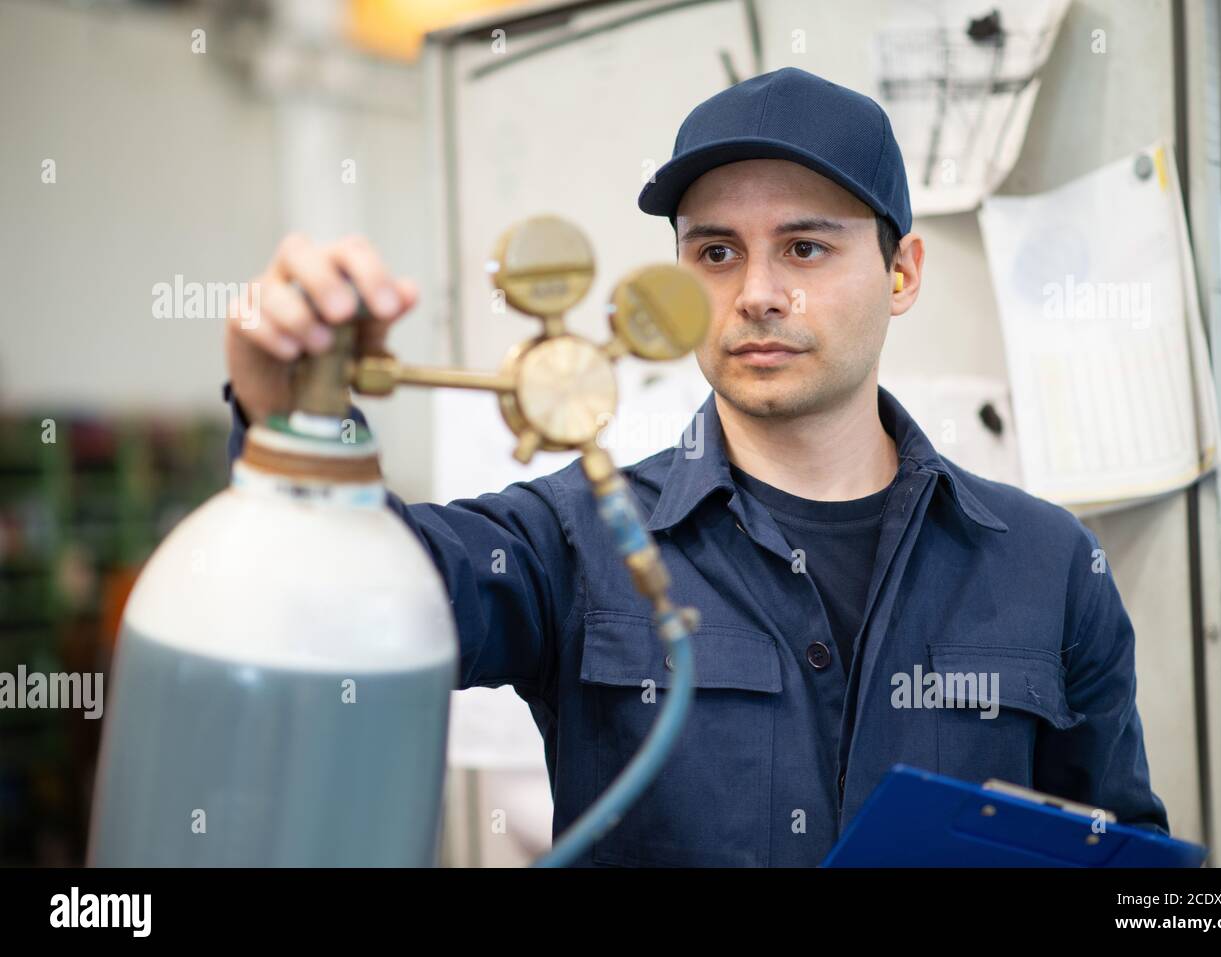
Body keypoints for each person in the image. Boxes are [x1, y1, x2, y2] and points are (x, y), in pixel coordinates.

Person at [222, 67, 1170, 866]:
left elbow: (1127, 864)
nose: (756, 293)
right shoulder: (569, 540)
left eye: (805, 246)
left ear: (902, 272)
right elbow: (354, 595)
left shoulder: (1049, 566)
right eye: (715, 252)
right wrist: (294, 415)